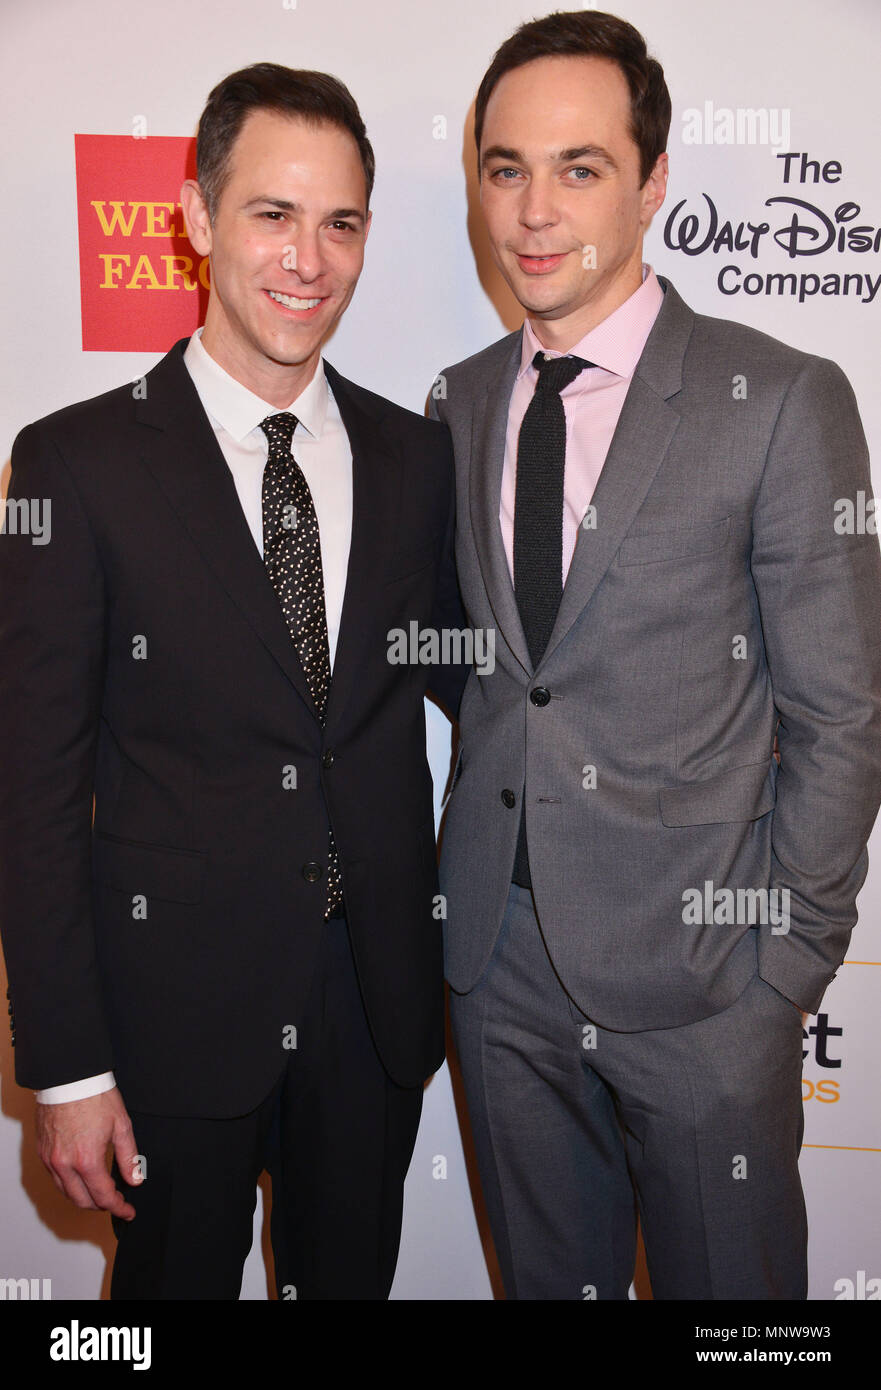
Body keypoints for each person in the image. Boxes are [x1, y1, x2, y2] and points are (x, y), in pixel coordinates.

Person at [431, 10, 881, 1299]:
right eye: (505, 167)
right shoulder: (459, 400)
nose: (532, 209)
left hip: (703, 986)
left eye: (578, 167)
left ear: (652, 183)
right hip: (497, 970)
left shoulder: (779, 398)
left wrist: (777, 976)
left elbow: (842, 714)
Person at [0, 62, 464, 1300]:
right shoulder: (75, 463)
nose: (307, 259)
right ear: (198, 218)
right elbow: (32, 789)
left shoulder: (420, 461)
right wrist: (66, 1068)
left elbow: (490, 697)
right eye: (271, 214)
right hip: (167, 1018)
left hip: (373, 1010)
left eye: (340, 223)